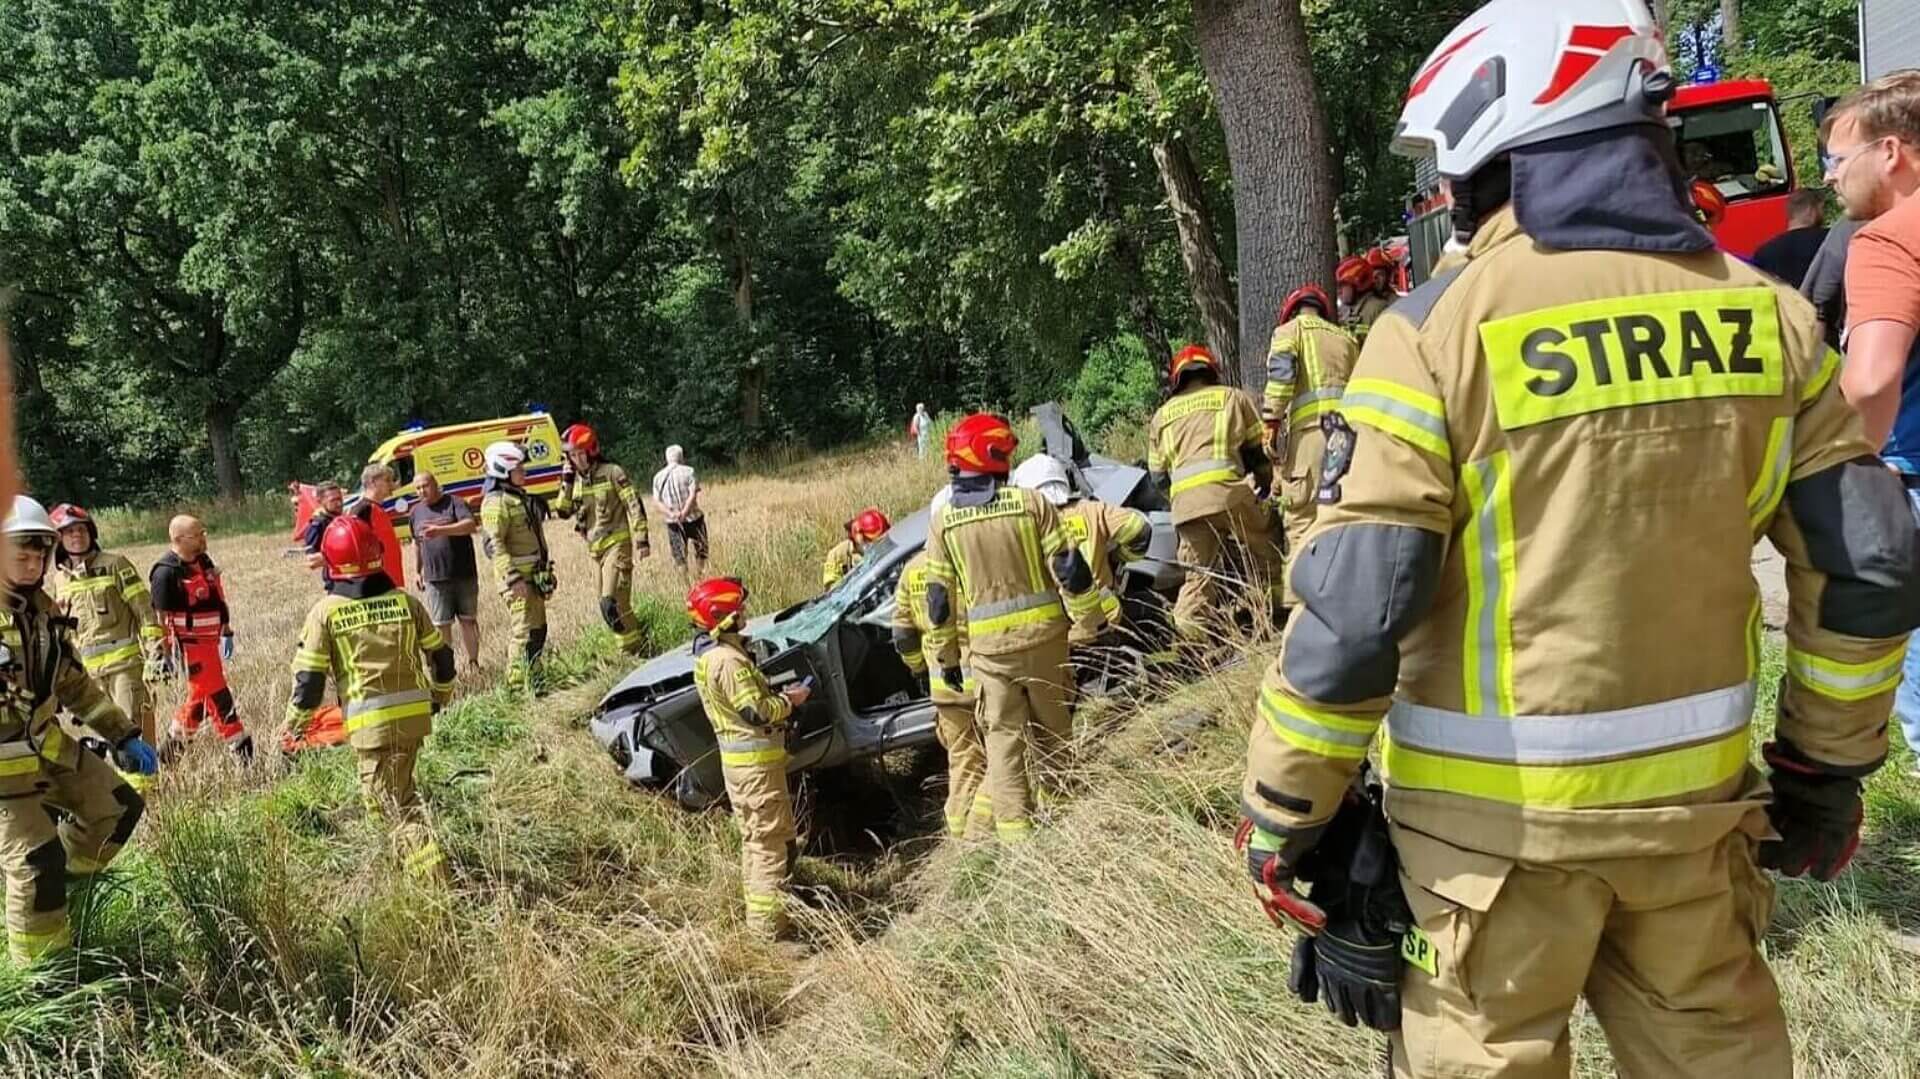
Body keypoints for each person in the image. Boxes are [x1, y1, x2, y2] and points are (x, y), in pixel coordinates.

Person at [1236, 6, 1920, 1076]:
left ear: (1498, 142)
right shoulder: (1770, 318)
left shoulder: (1431, 333)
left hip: (1488, 859)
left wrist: (1285, 807)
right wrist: (1824, 766)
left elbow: (1363, 607)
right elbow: (1869, 564)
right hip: (1695, 837)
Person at [923, 414, 1099, 842]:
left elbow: (939, 602)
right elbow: (1070, 569)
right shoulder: (1031, 503)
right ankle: (1067, 822)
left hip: (990, 657)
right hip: (1046, 642)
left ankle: (1018, 844)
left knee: (1003, 744)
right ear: (994, 457)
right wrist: (1091, 621)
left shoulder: (944, 522)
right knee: (1055, 732)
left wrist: (947, 660)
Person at [0, 496, 154, 964]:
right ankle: (42, 975)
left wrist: (123, 735)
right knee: (34, 861)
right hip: (5, 778)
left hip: (47, 749)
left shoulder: (44, 615)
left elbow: (74, 686)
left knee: (119, 811)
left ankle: (61, 892)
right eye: (19, 556)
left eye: (38, 556)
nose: (30, 567)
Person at [1822, 70, 1920, 775]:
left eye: (1837, 158)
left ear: (1891, 152)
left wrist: (1837, 471)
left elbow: (1874, 377)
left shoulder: (1889, 239)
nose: (1830, 178)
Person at [287, 514, 455, 883]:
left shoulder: (326, 612)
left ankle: (437, 887)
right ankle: (412, 877)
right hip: (415, 721)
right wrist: (439, 697)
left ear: (331, 562)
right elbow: (442, 658)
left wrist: (292, 729)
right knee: (399, 795)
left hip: (371, 729)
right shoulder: (405, 602)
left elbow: (309, 683)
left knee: (392, 809)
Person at [687, 577, 812, 936]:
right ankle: (769, 933)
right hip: (755, 772)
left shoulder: (714, 657)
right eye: (737, 608)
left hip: (746, 771)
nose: (744, 613)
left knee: (759, 843)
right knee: (770, 848)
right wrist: (791, 701)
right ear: (720, 615)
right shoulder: (727, 661)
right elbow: (754, 712)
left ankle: (765, 923)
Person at [1147, 343, 1284, 659]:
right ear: (1210, 370)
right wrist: (1263, 489)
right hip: (1229, 493)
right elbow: (1256, 453)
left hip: (1186, 507)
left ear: (1178, 379)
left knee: (1198, 576)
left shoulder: (1161, 416)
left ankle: (1191, 642)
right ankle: (1273, 618)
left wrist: (1183, 500)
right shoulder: (1232, 398)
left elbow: (1156, 476)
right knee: (1264, 546)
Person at [47, 504, 165, 792]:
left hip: (125, 669)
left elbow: (145, 612)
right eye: (69, 532)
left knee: (133, 732)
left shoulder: (116, 564)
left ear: (91, 532)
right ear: (58, 539)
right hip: (87, 677)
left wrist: (155, 653)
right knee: (103, 740)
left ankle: (144, 798)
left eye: (81, 529)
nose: (76, 536)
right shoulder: (59, 579)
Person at [1009, 454, 1151, 682]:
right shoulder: (1092, 510)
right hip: (1108, 618)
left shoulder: (1029, 528)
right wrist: (1117, 560)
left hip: (1060, 634)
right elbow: (1139, 529)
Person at [1261, 284, 1359, 607]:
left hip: (1310, 438)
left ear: (1290, 312)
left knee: (1301, 520)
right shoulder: (1346, 339)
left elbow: (1282, 374)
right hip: (1348, 438)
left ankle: (1301, 610)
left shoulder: (1290, 331)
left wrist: (1271, 421)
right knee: (1344, 518)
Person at [892, 545, 990, 838]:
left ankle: (959, 828)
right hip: (984, 674)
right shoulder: (968, 554)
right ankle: (983, 830)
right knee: (1000, 748)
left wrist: (919, 669)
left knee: (963, 757)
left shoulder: (911, 570)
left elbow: (903, 634)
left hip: (943, 682)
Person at [150, 514, 251, 761]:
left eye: (203, 532)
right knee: (218, 695)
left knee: (200, 701)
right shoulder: (165, 573)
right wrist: (162, 652)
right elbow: (160, 618)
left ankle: (169, 753)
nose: (204, 538)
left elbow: (217, 596)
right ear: (178, 539)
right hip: (190, 648)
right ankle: (240, 747)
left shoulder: (203, 561)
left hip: (210, 643)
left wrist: (226, 630)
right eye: (198, 535)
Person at [552, 423, 653, 656]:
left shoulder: (612, 472)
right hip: (595, 551)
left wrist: (642, 539)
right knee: (610, 606)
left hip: (618, 544)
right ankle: (637, 646)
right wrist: (566, 482)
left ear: (591, 451)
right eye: (572, 455)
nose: (577, 459)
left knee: (611, 601)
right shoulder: (573, 480)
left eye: (580, 453)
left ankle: (631, 652)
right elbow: (563, 511)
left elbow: (634, 505)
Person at [479, 441, 556, 693]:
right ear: (503, 471)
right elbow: (494, 544)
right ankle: (514, 688)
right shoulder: (495, 503)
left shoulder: (516, 498)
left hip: (533, 576)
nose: (524, 472)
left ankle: (535, 681)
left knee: (538, 630)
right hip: (517, 581)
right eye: (519, 468)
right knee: (522, 633)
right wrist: (513, 578)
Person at [406, 472, 482, 671]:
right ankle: (448, 668)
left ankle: (474, 663)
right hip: (435, 578)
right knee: (441, 625)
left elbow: (470, 526)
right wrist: (416, 571)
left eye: (426, 485)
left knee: (468, 620)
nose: (422, 491)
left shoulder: (455, 503)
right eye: (418, 488)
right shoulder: (415, 513)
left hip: (464, 573)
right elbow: (416, 542)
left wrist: (440, 531)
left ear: (436, 484)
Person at [653, 445, 708, 584]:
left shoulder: (658, 477)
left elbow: (657, 502)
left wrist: (672, 514)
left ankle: (685, 586)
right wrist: (684, 512)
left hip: (673, 523)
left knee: (680, 557)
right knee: (701, 550)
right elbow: (692, 495)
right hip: (694, 518)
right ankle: (699, 579)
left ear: (666, 458)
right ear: (681, 457)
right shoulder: (689, 471)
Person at [1752, 188, 1830, 286]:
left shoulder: (1763, 252)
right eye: (1821, 209)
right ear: (1810, 210)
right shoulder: (1830, 239)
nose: (1823, 215)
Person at [821, 507, 889, 589]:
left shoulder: (888, 547)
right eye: (871, 541)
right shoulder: (836, 555)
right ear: (858, 535)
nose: (875, 545)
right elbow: (832, 589)